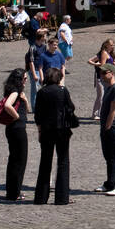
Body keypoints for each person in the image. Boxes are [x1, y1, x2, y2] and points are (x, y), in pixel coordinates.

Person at [33, 66, 76, 205]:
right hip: (62, 129)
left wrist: (39, 131)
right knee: (63, 161)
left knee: (45, 162)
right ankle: (62, 197)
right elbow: (71, 107)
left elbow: (37, 115)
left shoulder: (41, 92)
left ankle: (41, 197)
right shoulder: (63, 91)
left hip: (46, 130)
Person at [94, 64, 115, 196]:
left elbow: (113, 110)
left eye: (104, 73)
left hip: (113, 127)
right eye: (101, 73)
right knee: (109, 156)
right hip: (106, 127)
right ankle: (110, 183)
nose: (101, 76)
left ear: (112, 73)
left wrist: (107, 127)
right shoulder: (108, 87)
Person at [0, 68, 30, 201]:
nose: (26, 80)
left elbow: (28, 111)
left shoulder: (17, 92)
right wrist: (17, 116)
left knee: (15, 160)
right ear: (19, 80)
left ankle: (13, 191)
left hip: (14, 129)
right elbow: (7, 105)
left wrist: (26, 100)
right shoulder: (15, 91)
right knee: (19, 161)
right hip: (17, 129)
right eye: (24, 78)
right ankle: (14, 192)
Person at [88, 39, 115, 121]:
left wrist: (114, 63)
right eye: (111, 45)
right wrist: (97, 64)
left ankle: (102, 113)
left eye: (113, 45)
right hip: (102, 78)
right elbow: (103, 66)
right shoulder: (104, 53)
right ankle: (95, 114)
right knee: (100, 96)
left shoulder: (110, 53)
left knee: (106, 96)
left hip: (108, 78)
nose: (113, 46)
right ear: (106, 45)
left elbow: (114, 62)